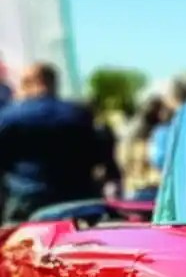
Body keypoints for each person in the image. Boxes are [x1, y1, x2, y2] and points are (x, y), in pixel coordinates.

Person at [0, 63, 107, 221]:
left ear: (27, 84)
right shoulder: (80, 115)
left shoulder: (9, 116)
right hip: (77, 202)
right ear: (53, 83)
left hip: (27, 202)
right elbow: (99, 155)